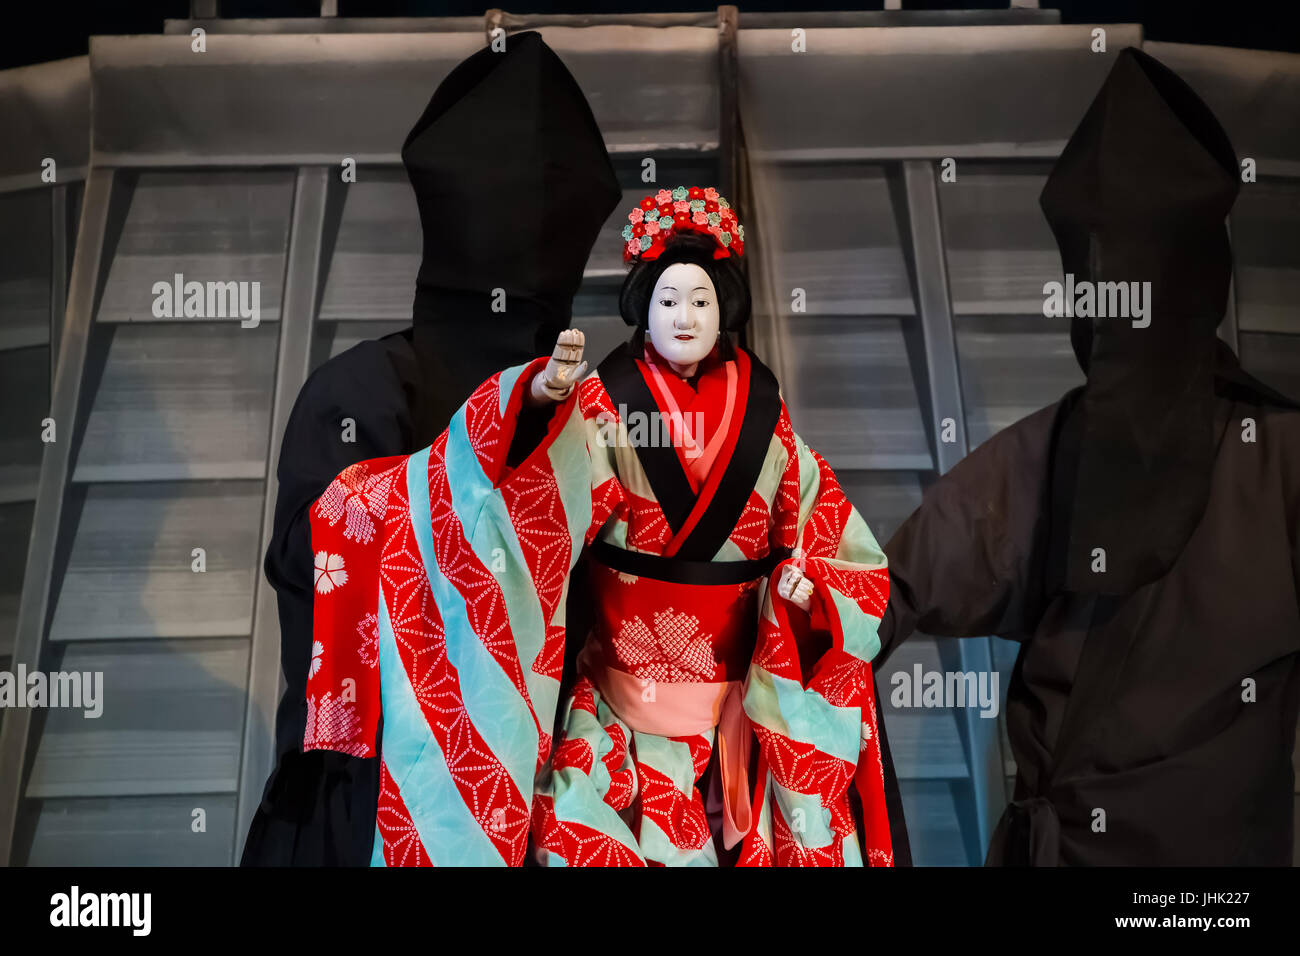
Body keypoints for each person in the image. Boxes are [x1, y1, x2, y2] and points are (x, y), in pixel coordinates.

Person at [300, 188, 903, 866]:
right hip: (620, 716)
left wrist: (808, 585)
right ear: (641, 308)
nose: (684, 316)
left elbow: (830, 534)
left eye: (701, 301)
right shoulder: (602, 405)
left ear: (726, 308)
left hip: (749, 709)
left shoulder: (771, 419)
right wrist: (532, 404)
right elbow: (530, 509)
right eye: (668, 299)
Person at [877, 48, 1300, 865]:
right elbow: (876, 594)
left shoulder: (1278, 461)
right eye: (1094, 283)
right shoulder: (1044, 457)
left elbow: (877, 594)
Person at [242, 30, 620, 866]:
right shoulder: (364, 395)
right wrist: (475, 473)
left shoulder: (588, 419)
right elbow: (320, 581)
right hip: (362, 801)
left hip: (549, 807)